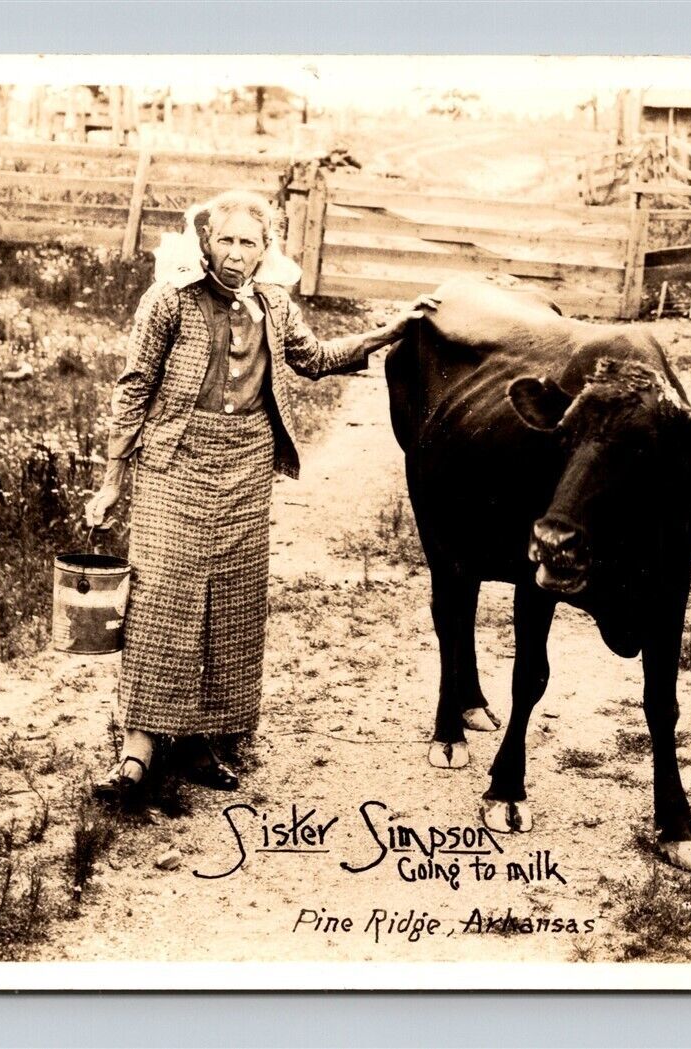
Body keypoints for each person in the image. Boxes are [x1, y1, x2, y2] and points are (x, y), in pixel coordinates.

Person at [84, 189, 430, 804]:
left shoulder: (273, 302)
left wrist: (389, 331)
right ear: (205, 242)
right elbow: (134, 387)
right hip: (174, 462)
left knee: (229, 603)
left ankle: (200, 740)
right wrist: (113, 478)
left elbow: (314, 359)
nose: (236, 253)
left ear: (265, 248)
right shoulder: (169, 299)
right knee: (161, 597)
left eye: (249, 242)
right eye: (226, 240)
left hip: (247, 465)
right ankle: (138, 748)